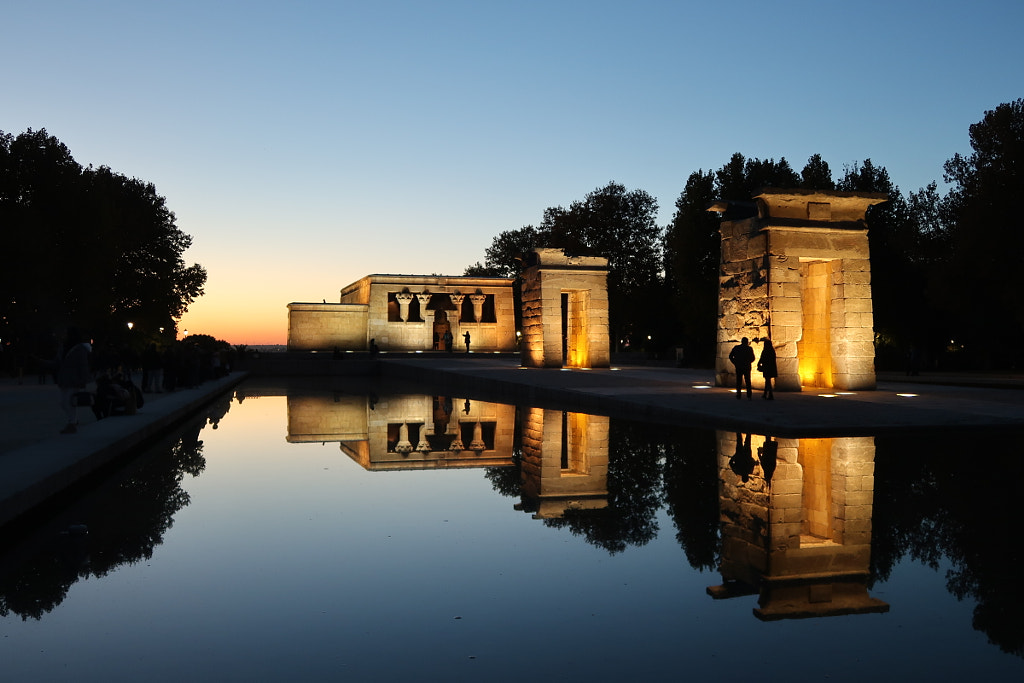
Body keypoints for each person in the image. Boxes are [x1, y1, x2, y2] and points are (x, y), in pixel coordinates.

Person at [56, 328, 92, 434]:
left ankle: (72, 423)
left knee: (68, 402)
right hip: (64, 379)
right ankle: (73, 422)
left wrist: (83, 380)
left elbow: (83, 365)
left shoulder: (79, 349)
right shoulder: (64, 347)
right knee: (64, 402)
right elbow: (57, 362)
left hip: (73, 379)